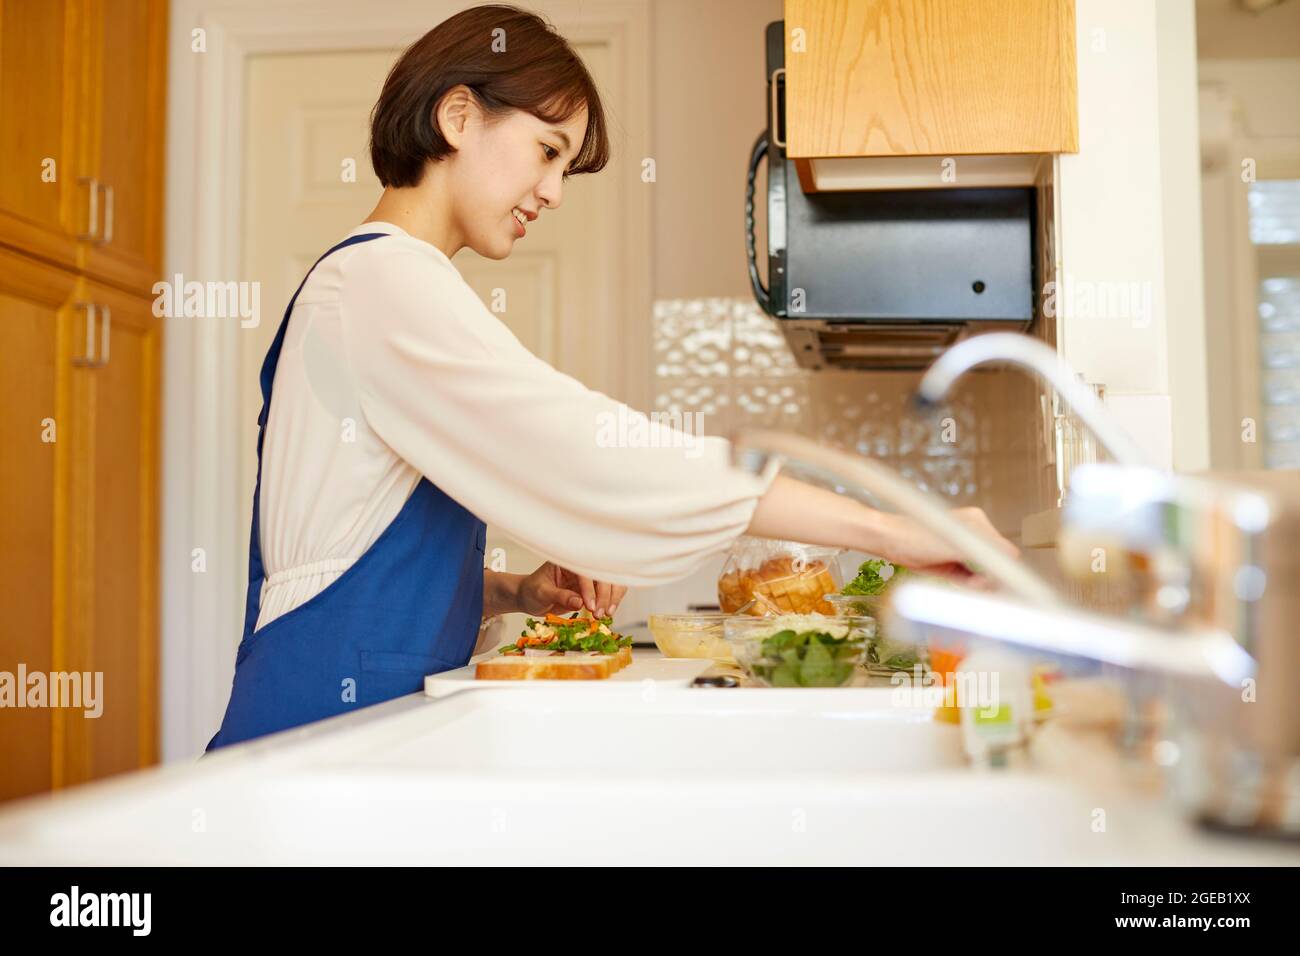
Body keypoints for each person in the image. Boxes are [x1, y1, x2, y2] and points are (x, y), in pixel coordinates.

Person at [206, 4, 1017, 751]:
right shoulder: (383, 285)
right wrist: (896, 529)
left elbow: (341, 540)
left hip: (350, 730)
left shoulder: (377, 285)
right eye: (548, 151)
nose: (554, 193)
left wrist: (511, 592)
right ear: (458, 116)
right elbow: (590, 451)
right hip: (318, 740)